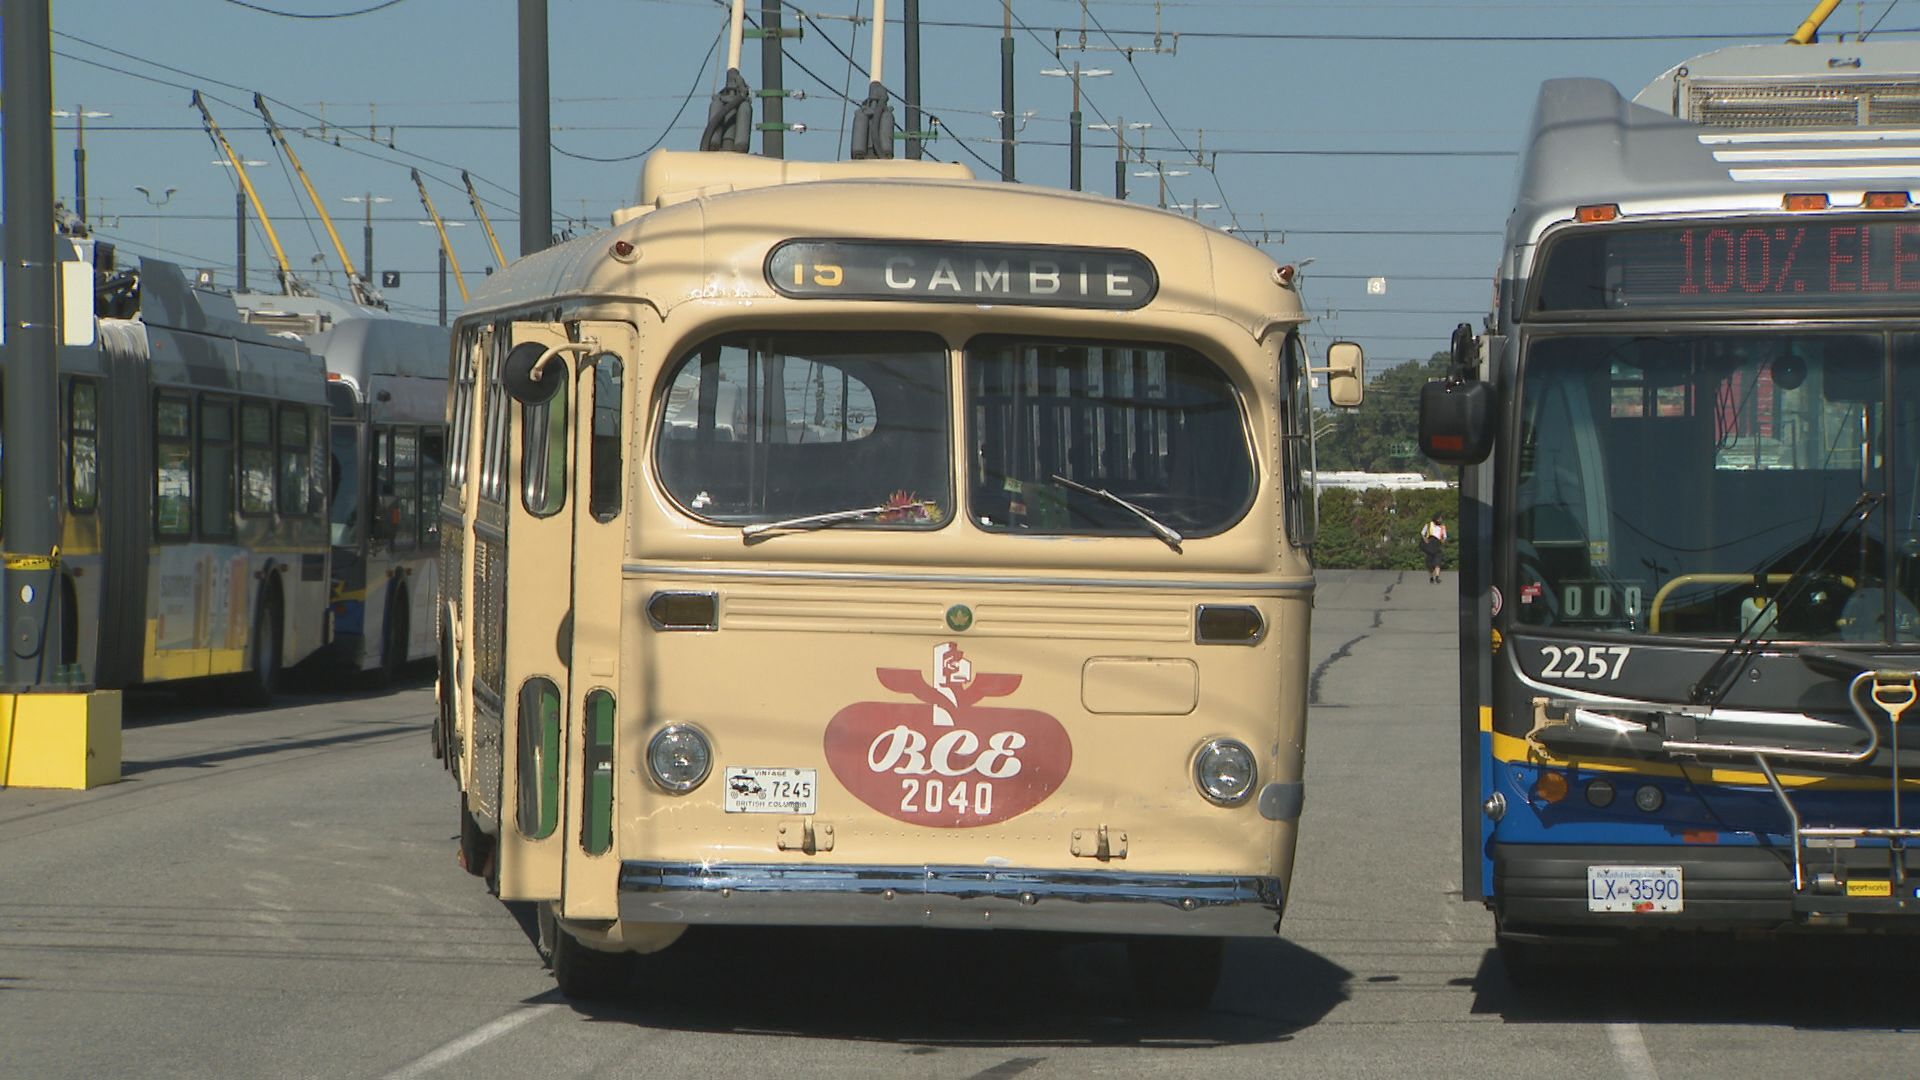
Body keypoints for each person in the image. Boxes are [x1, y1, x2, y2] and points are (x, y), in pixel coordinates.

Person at [1419, 514, 1448, 584]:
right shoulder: (1428, 525)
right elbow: (1422, 533)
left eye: (1441, 519)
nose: (1440, 520)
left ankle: (1437, 577)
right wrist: (1425, 539)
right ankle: (1431, 577)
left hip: (1437, 545)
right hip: (1429, 546)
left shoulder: (1442, 527)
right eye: (1439, 519)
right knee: (1429, 564)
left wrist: (1443, 540)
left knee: (1437, 562)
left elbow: (1444, 536)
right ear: (1435, 519)